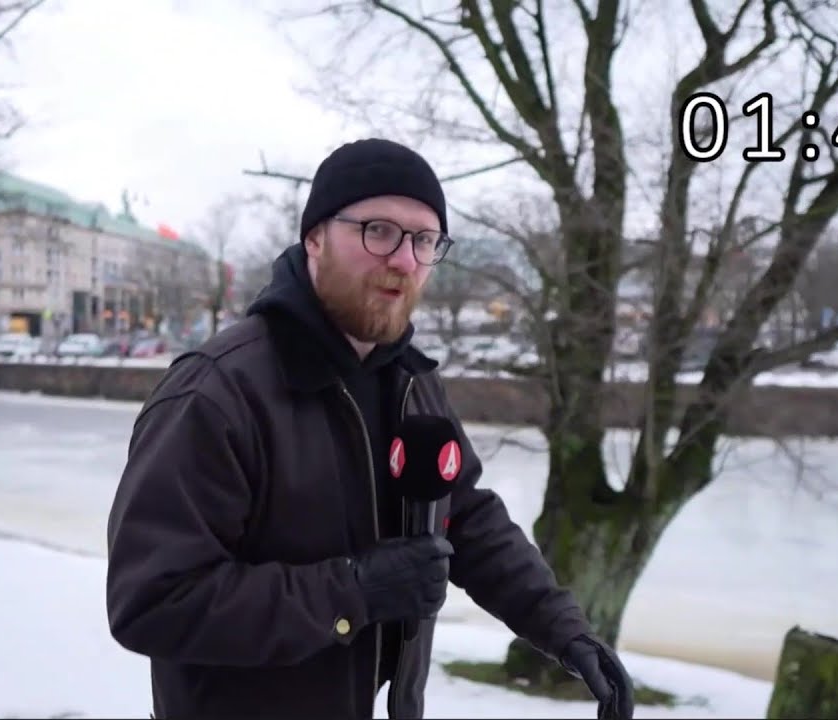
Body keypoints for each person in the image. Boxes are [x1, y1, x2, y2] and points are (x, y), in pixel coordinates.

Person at [106, 138, 635, 719]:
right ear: (314, 238)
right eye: (378, 230)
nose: (404, 260)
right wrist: (353, 592)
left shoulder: (411, 381)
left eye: (425, 240)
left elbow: (468, 519)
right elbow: (153, 601)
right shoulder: (216, 394)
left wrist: (565, 631)